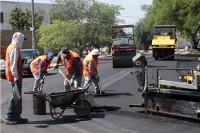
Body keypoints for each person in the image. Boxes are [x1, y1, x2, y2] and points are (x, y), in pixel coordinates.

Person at [5, 32, 28, 124]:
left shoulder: (11, 47)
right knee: (15, 96)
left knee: (17, 96)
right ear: (19, 39)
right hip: (14, 76)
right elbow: (13, 63)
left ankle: (16, 116)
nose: (22, 41)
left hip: (14, 75)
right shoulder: (14, 48)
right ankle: (10, 116)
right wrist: (15, 75)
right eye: (22, 39)